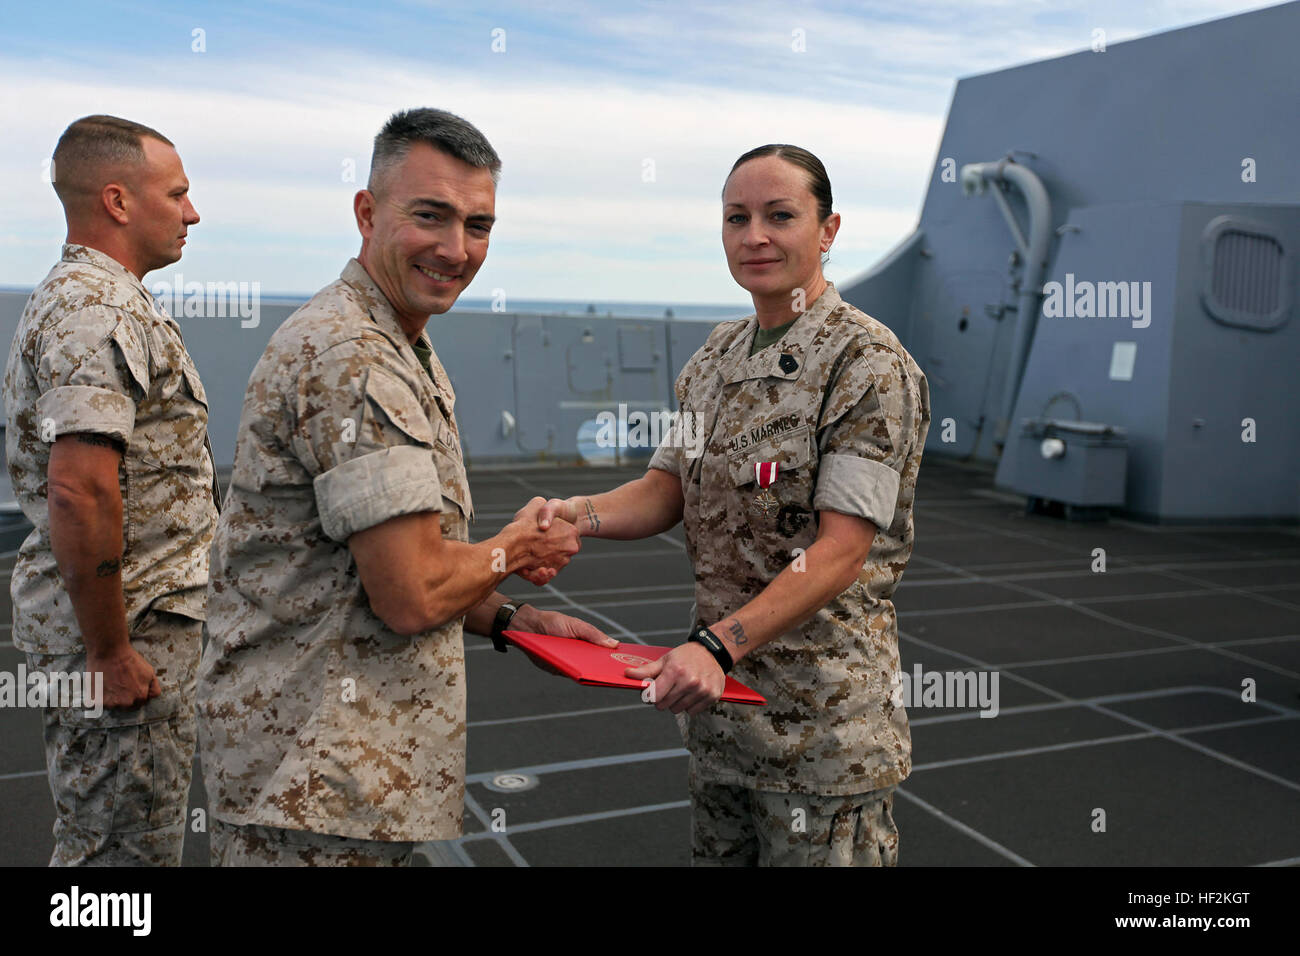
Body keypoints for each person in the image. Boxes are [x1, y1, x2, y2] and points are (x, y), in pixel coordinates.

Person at [196, 107, 614, 867]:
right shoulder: (355, 358)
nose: (456, 250)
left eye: (479, 225)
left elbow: (378, 566)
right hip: (313, 789)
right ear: (367, 212)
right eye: (431, 216)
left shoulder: (398, 341)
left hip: (337, 779)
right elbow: (412, 593)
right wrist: (517, 546)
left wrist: (512, 620)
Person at [533, 144, 931, 866]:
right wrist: (576, 514)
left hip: (822, 733)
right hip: (720, 719)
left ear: (828, 229)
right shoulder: (713, 362)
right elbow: (666, 488)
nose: (756, 236)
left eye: (780, 216)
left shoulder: (866, 364)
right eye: (737, 217)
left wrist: (718, 645)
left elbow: (843, 548)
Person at [3, 115, 220, 866]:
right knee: (119, 859)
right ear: (120, 202)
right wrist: (109, 650)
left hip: (134, 630)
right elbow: (79, 491)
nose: (192, 212)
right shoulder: (97, 309)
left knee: (116, 847)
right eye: (179, 193)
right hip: (127, 642)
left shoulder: (95, 299)